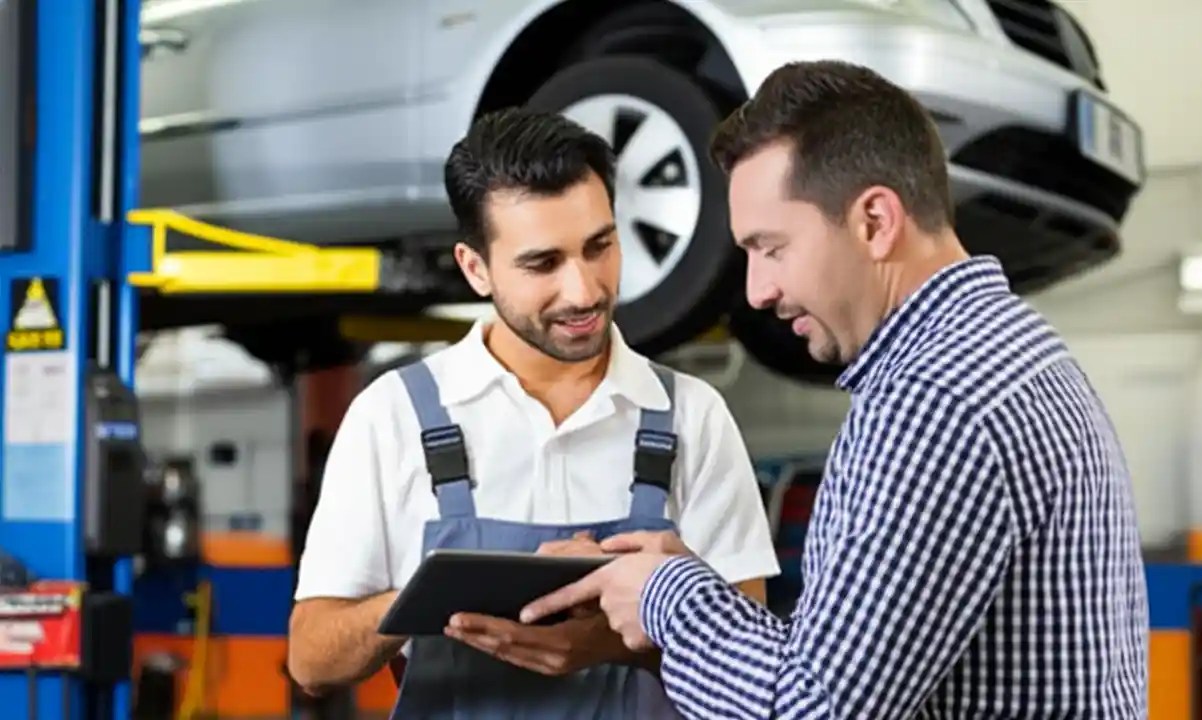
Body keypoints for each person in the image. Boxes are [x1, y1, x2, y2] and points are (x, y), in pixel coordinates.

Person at [522, 60, 1150, 718]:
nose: (758, 291)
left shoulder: (932, 399)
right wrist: (688, 594)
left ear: (875, 221)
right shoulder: (1015, 350)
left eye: (772, 247)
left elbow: (815, 709)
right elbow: (844, 669)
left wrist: (666, 595)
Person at [285, 106, 781, 718]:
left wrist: (609, 644)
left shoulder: (690, 418)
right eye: (542, 264)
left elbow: (752, 647)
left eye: (600, 246)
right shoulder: (392, 419)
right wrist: (439, 592)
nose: (583, 290)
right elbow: (312, 660)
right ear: (476, 269)